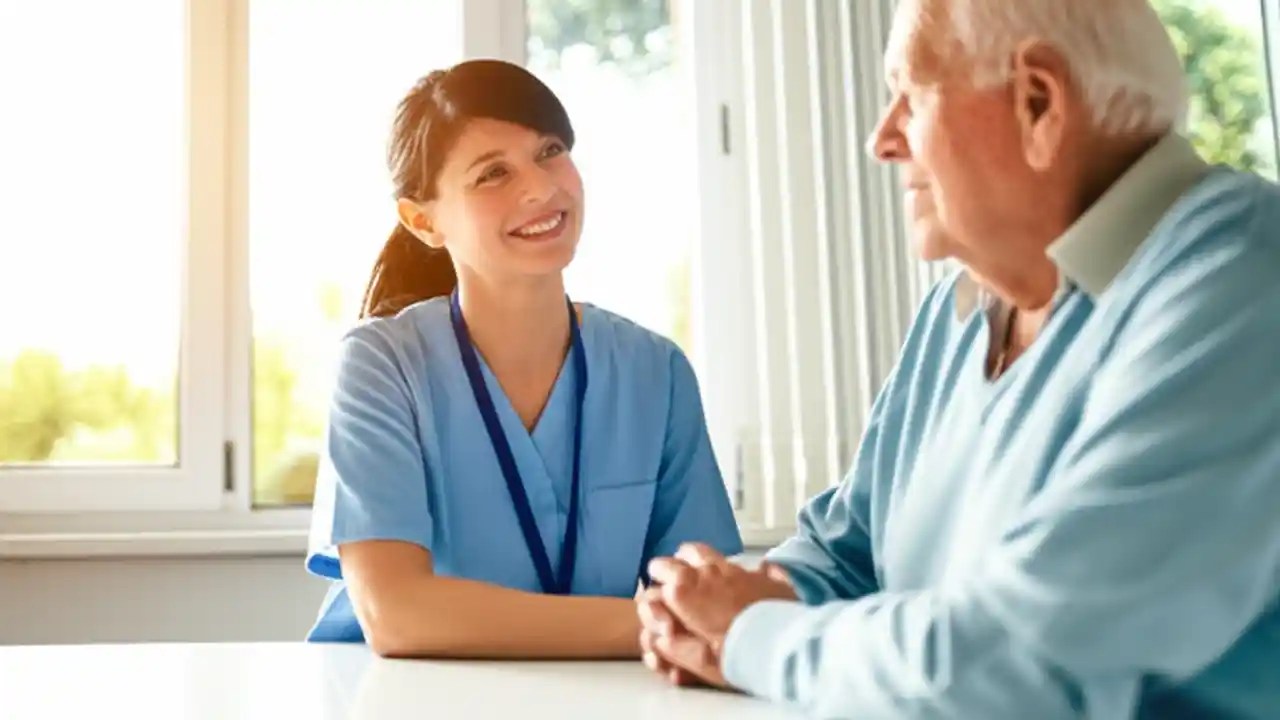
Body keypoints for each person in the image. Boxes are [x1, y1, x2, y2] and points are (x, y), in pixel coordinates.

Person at [637, 0, 1280, 716]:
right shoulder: (962, 307)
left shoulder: (1245, 283)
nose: (881, 140)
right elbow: (845, 558)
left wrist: (749, 635)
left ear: (1039, 104)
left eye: (910, 97)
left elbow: (1020, 663)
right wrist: (709, 609)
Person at [304, 59, 742, 657]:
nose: (540, 189)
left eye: (550, 151)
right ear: (423, 221)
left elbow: (708, 594)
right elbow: (397, 615)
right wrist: (653, 625)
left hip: (594, 690)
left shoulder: (654, 371)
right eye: (493, 174)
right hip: (401, 694)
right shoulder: (381, 366)